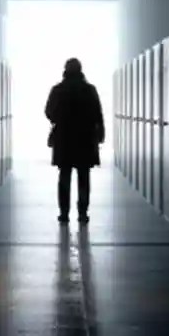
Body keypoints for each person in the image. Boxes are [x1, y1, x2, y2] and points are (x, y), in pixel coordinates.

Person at [44, 58, 104, 223]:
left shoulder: (58, 90)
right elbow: (98, 114)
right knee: (84, 177)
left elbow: (48, 111)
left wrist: (60, 119)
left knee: (64, 176)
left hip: (64, 138)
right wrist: (100, 135)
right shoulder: (89, 90)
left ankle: (64, 214)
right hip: (85, 138)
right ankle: (82, 213)